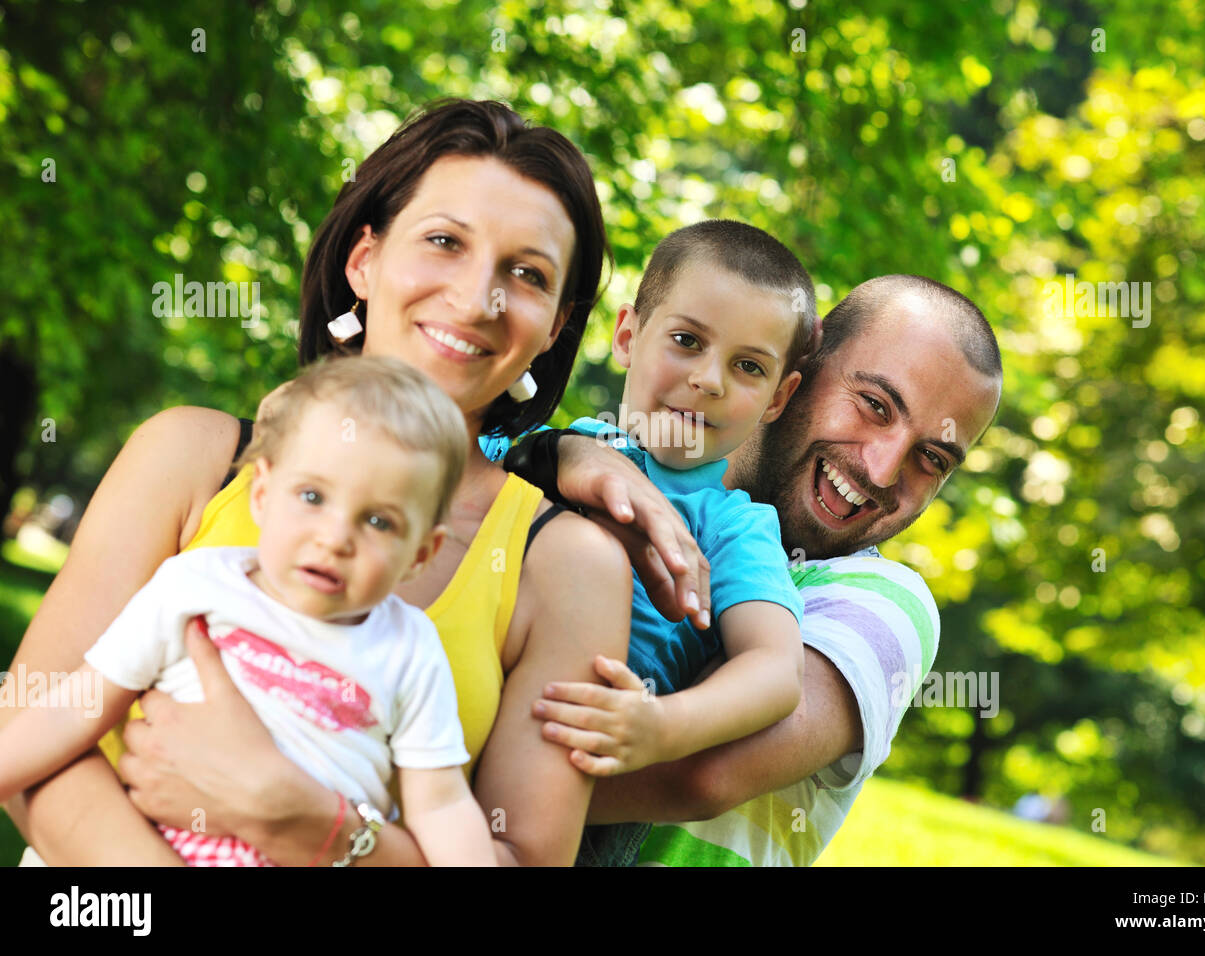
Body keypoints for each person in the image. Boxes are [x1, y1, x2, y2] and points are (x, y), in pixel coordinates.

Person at [0, 99, 634, 866]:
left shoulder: (566, 566)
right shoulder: (191, 457)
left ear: (556, 325)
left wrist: (304, 819)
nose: (476, 300)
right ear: (363, 260)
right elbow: (33, 728)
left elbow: (522, 858)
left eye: (525, 274)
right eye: (443, 242)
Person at [522, 274, 1005, 865]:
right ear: (799, 371)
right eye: (875, 406)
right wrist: (563, 453)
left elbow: (701, 773)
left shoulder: (884, 604)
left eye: (931, 458)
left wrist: (448, 771)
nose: (881, 472)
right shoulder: (613, 463)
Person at [0, 356, 499, 866]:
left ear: (420, 553)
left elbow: (440, 805)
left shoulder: (409, 647)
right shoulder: (197, 585)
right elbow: (75, 707)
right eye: (312, 495)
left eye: (378, 521)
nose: (335, 538)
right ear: (262, 494)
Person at [526, 220, 817, 865]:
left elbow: (774, 671)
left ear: (779, 397)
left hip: (574, 807)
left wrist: (660, 728)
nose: (709, 380)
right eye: (686, 341)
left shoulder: (733, 526)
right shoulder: (544, 446)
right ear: (627, 333)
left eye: (748, 367)